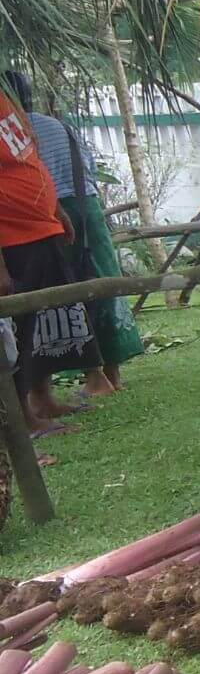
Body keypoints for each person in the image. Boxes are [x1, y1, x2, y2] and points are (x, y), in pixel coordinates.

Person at [17, 73, 142, 398]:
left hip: (54, 216)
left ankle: (94, 376)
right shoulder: (59, 126)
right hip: (89, 207)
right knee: (101, 283)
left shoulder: (15, 134)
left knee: (68, 292)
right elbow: (87, 164)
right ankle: (113, 374)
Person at [0, 74, 101, 438]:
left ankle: (43, 397)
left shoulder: (6, 99)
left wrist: (55, 208)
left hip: (40, 226)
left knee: (45, 323)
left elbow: (27, 160)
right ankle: (22, 416)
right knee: (19, 327)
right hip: (12, 236)